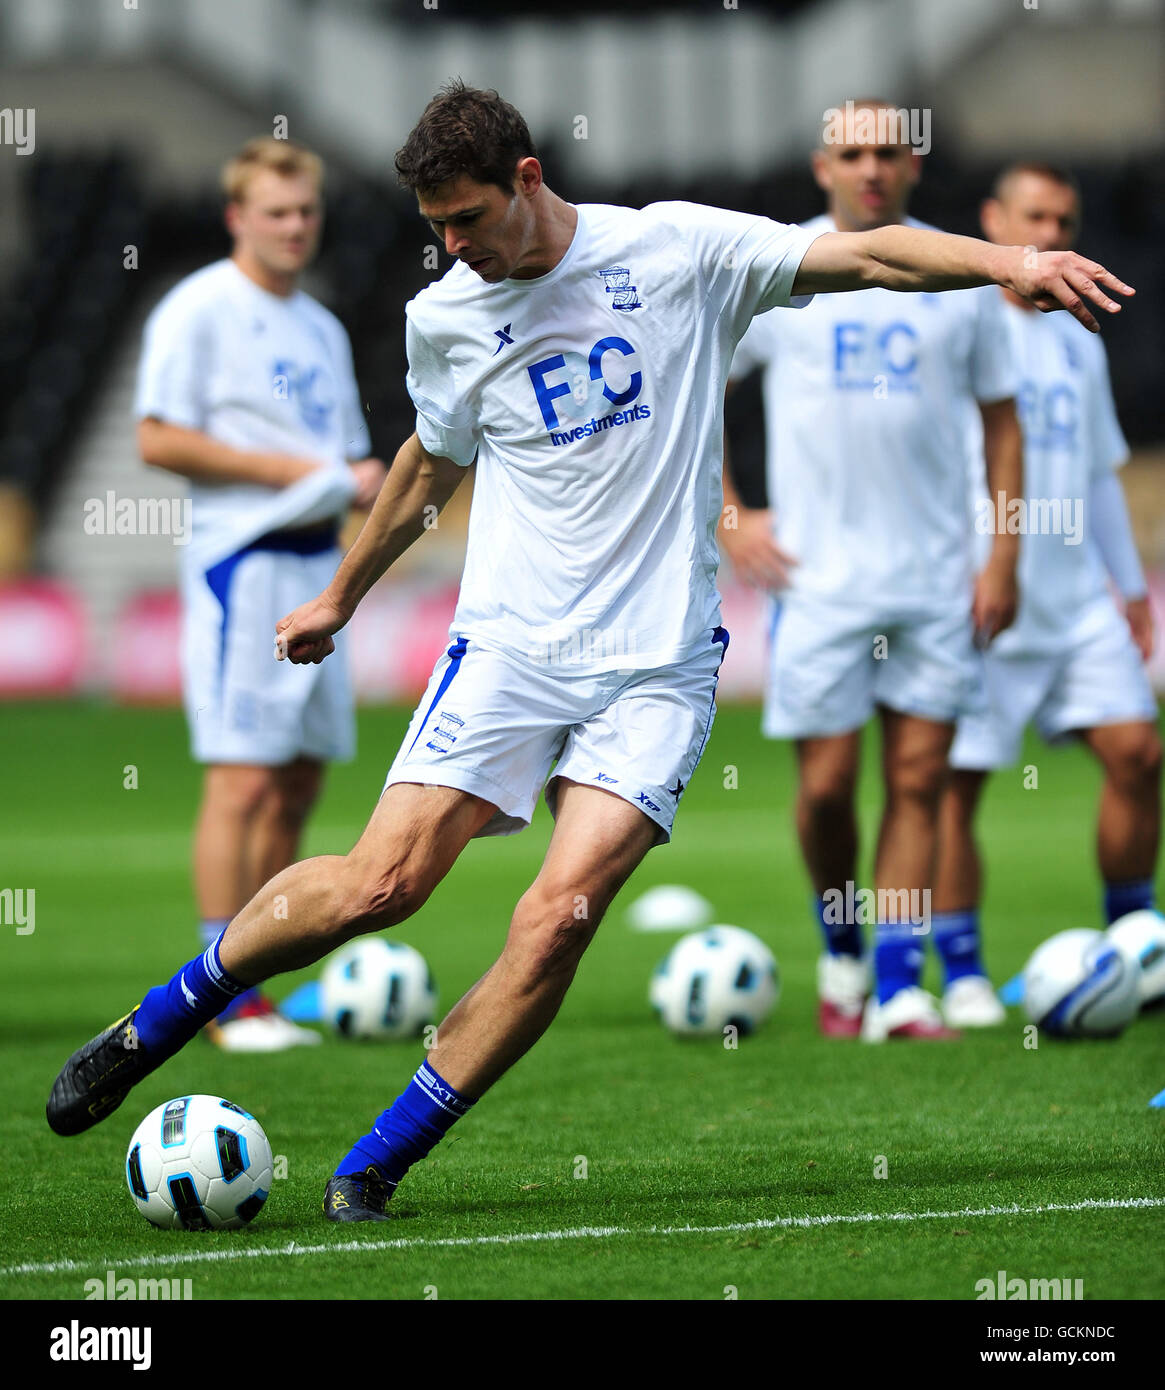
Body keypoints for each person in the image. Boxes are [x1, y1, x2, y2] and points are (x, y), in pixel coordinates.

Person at [48, 83, 1133, 1221]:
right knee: (382, 885)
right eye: (434, 230)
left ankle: (375, 1163)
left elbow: (870, 257)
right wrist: (341, 594)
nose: (453, 248)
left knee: (560, 916)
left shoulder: (675, 250)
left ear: (526, 178)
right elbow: (429, 464)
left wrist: (1003, 264)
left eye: (466, 219)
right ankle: (163, 1017)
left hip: (659, 666)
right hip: (511, 647)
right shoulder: (450, 315)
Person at [721, 98, 1024, 1040]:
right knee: (822, 788)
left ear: (912, 165)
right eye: (851, 152)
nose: (870, 168)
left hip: (935, 573)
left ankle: (896, 982)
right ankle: (842, 944)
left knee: (919, 778)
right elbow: (699, 390)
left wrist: (1001, 554)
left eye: (888, 151)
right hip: (817, 577)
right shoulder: (785, 269)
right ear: (822, 166)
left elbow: (1002, 421)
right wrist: (730, 513)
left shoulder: (961, 273)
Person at [133, 136, 386, 1051]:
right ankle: (219, 996)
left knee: (295, 783)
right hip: (244, 565)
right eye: (276, 213)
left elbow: (345, 457)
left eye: (306, 211)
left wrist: (355, 489)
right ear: (238, 216)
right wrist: (291, 467)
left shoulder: (319, 324)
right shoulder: (198, 309)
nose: (294, 227)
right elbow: (157, 439)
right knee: (241, 778)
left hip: (317, 567)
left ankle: (259, 984)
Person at [933, 162, 1161, 958]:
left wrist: (1130, 589)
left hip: (1074, 602)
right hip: (979, 599)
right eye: (1035, 218)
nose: (1051, 237)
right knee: (952, 790)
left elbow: (1097, 468)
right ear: (993, 220)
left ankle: (1135, 946)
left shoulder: (1077, 331)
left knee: (1138, 754)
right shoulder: (950, 322)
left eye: (1064, 223)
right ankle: (959, 969)